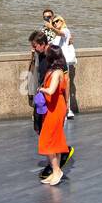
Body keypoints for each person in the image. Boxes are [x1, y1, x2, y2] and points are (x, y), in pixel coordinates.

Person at [29, 30, 74, 178]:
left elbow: (65, 81)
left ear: (43, 44)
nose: (33, 48)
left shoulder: (54, 54)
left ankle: (56, 164)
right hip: (44, 102)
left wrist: (67, 104)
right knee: (40, 130)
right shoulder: (40, 55)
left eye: (35, 46)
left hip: (54, 104)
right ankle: (55, 163)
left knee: (48, 134)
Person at [36, 42, 70, 186]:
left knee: (49, 139)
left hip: (56, 108)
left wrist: (41, 89)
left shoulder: (57, 73)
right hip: (52, 107)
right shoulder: (53, 70)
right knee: (51, 138)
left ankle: (57, 171)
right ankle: (55, 171)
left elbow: (51, 90)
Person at [49, 16, 80, 118]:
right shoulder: (55, 36)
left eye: (56, 21)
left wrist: (50, 27)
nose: (55, 24)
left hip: (64, 63)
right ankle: (60, 109)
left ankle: (68, 110)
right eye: (53, 23)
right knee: (58, 86)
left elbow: (61, 33)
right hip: (56, 64)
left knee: (65, 85)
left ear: (62, 21)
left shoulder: (65, 30)